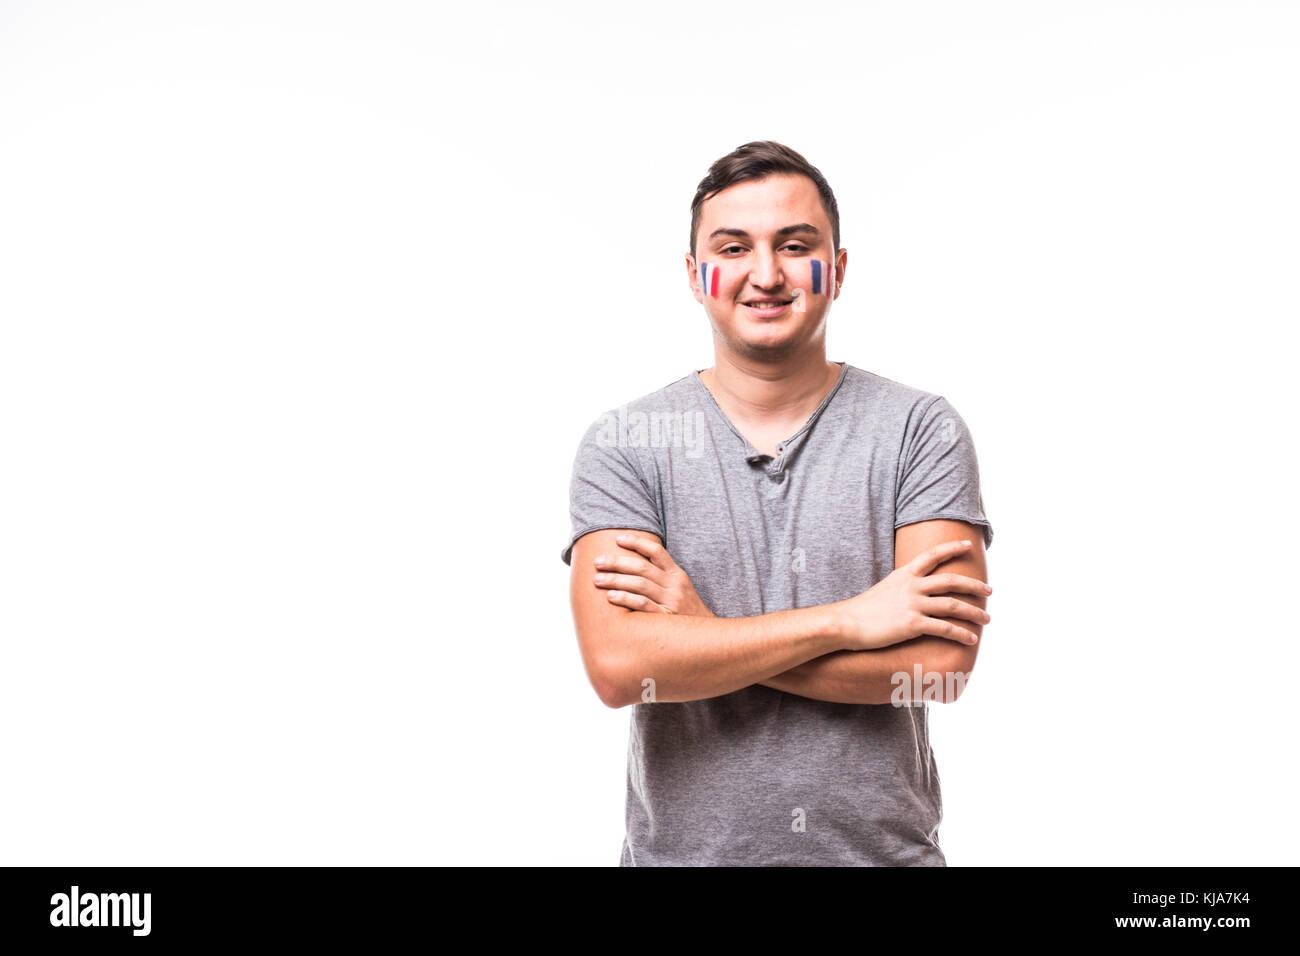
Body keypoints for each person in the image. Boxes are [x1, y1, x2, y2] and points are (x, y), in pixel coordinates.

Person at [560, 140, 994, 866]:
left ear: (839, 269)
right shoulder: (627, 443)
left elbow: (938, 664)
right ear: (698, 276)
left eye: (795, 246)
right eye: (735, 248)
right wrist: (849, 622)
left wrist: (700, 637)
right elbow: (618, 666)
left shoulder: (920, 430)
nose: (766, 274)